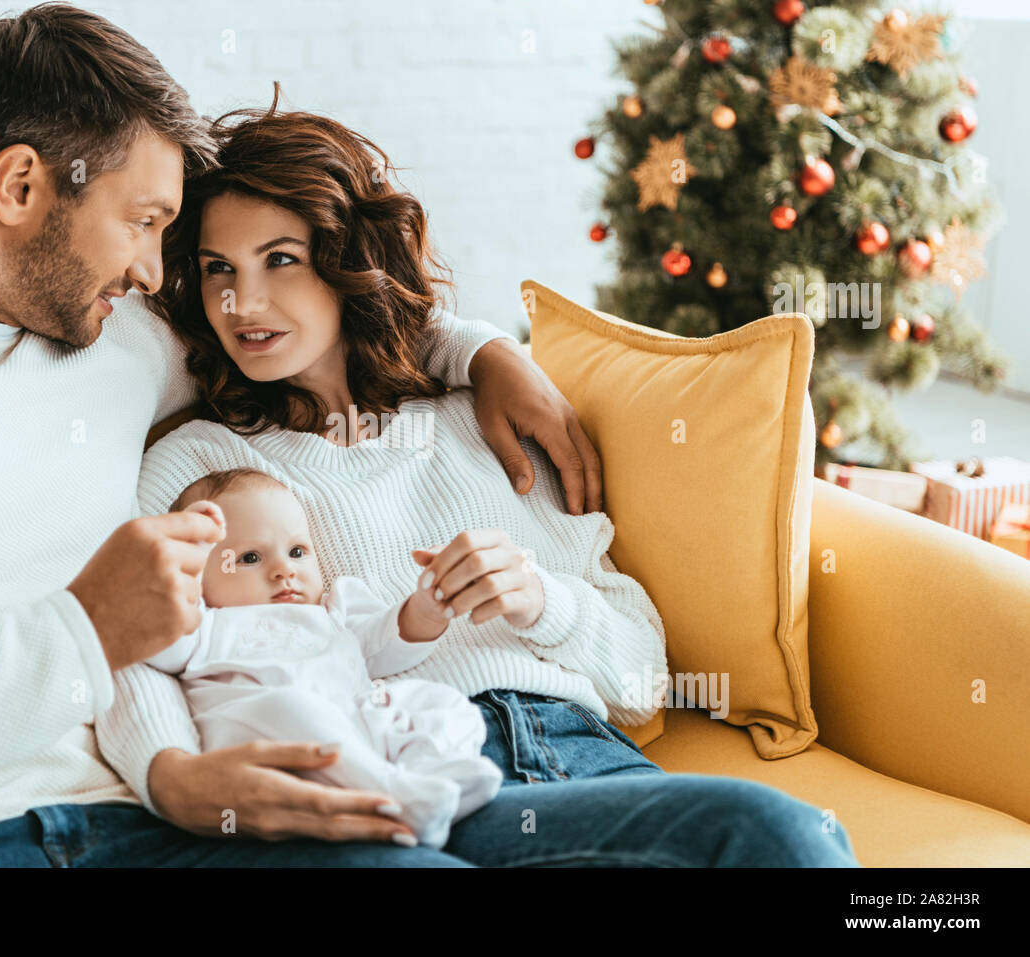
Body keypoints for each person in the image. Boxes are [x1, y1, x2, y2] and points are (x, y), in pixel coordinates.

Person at [0, 4, 603, 868]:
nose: (155, 270)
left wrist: (481, 350)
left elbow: (314, 309)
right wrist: (83, 634)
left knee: (720, 832)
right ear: (20, 185)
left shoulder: (114, 336)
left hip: (148, 830)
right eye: (143, 221)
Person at [128, 91, 862, 867]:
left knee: (784, 833)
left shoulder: (491, 418)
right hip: (406, 772)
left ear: (349, 264)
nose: (242, 302)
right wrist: (175, 779)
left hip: (583, 761)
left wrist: (543, 599)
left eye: (281, 258)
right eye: (218, 271)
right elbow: (136, 651)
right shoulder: (198, 464)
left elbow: (645, 680)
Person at [144, 469, 504, 848]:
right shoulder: (205, 625)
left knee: (438, 701)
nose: (285, 569)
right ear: (198, 575)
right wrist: (175, 580)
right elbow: (156, 643)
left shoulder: (334, 614)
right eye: (250, 557)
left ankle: (430, 775)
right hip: (273, 746)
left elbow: (386, 648)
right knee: (290, 706)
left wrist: (427, 610)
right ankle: (394, 796)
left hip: (359, 730)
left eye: (297, 551)